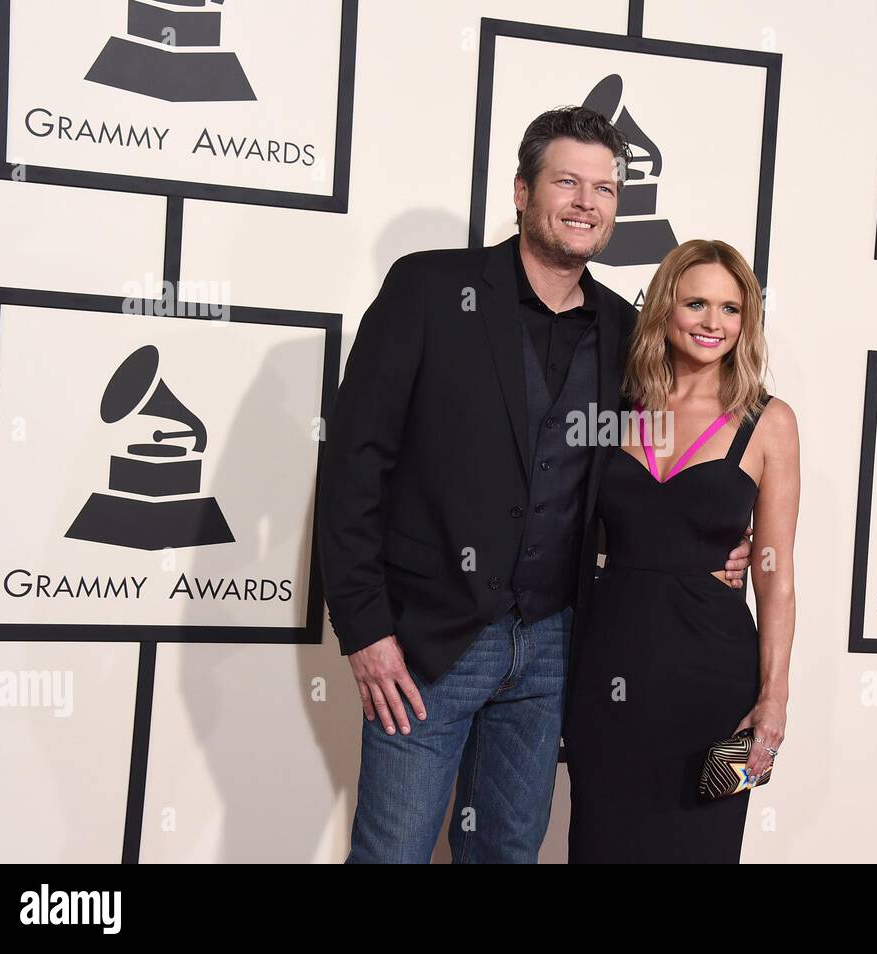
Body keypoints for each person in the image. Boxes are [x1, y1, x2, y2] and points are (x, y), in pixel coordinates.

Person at [317, 106, 752, 863]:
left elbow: (651, 471)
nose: (587, 202)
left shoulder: (628, 332)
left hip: (557, 644)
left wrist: (704, 548)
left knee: (508, 854)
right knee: (391, 853)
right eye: (567, 182)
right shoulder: (428, 289)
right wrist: (364, 629)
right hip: (425, 642)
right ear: (522, 192)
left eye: (605, 188)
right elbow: (355, 463)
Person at [563, 239, 800, 863]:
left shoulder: (768, 421)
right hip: (608, 665)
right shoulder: (617, 407)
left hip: (711, 679)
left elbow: (776, 576)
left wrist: (773, 696)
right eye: (696, 303)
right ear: (665, 308)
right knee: (599, 843)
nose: (712, 322)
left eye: (730, 308)